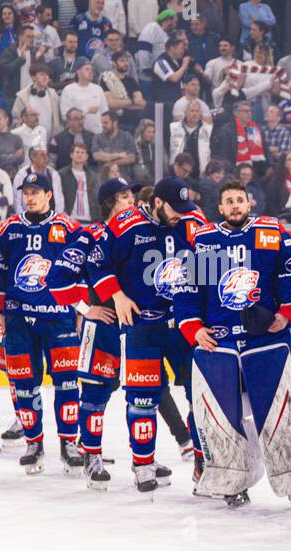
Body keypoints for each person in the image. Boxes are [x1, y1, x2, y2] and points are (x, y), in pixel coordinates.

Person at [176, 179, 291, 507]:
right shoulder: (205, 240)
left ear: (249, 203)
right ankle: (231, 479)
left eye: (240, 199)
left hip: (264, 340)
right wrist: (194, 329)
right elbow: (189, 289)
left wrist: (290, 313)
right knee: (222, 418)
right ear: (220, 208)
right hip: (219, 344)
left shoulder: (270, 232)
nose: (235, 205)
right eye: (229, 201)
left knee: (281, 412)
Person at [78, 176, 204, 491]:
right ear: (157, 202)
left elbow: (208, 262)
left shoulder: (190, 220)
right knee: (142, 398)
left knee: (200, 396)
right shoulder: (125, 225)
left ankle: (204, 463)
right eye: (175, 208)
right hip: (142, 327)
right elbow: (96, 263)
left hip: (183, 325)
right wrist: (117, 296)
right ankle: (142, 464)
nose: (181, 214)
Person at [0, 171, 88, 475]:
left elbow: (82, 268)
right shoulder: (7, 229)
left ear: (49, 195)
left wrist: (81, 307)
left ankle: (69, 443)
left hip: (59, 319)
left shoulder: (69, 228)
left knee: (68, 383)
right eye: (26, 192)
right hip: (19, 318)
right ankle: (34, 443)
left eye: (36, 191)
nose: (29, 197)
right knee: (24, 385)